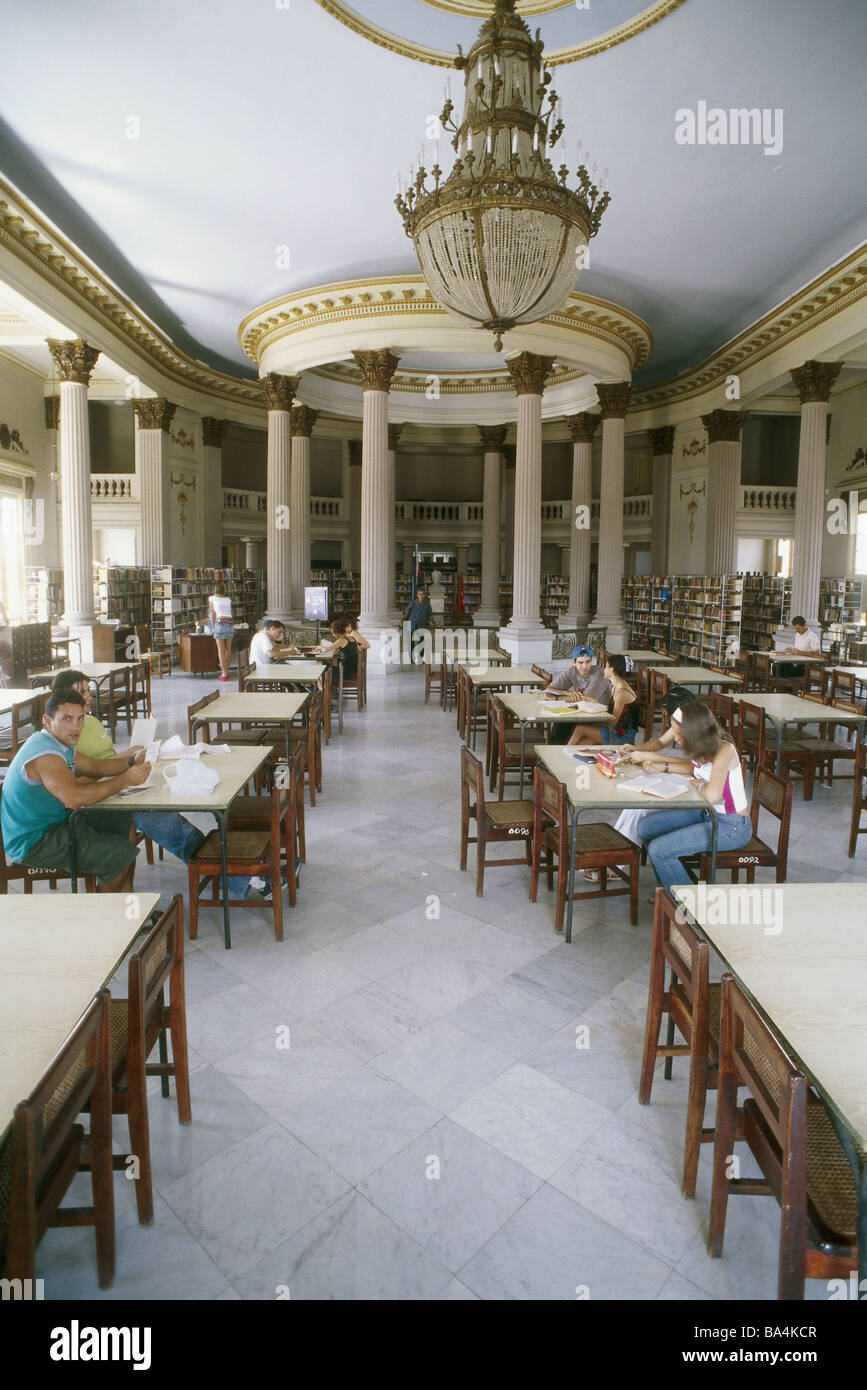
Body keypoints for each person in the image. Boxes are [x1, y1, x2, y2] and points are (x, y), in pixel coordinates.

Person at [0, 688, 149, 891]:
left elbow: (97, 767)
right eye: (67, 719)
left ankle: (126, 905)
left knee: (123, 822)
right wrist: (125, 780)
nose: (75, 726)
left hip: (54, 823)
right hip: (34, 841)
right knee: (119, 854)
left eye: (80, 719)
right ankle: (103, 917)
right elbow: (74, 799)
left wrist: (132, 761)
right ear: (47, 720)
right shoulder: (45, 755)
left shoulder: (59, 742)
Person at [50, 669, 204, 863]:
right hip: (97, 796)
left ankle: (211, 861)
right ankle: (208, 863)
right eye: (82, 692)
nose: (88, 696)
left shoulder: (91, 721)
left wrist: (129, 760)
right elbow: (80, 783)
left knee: (160, 800)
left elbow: (107, 761)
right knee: (150, 812)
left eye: (88, 690)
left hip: (117, 783)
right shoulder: (66, 735)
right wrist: (122, 768)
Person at [638, 701, 753, 899]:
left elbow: (712, 795)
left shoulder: (724, 749)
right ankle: (671, 887)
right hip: (708, 815)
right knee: (645, 827)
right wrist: (662, 767)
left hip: (732, 826)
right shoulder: (703, 747)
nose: (677, 740)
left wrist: (699, 785)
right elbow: (694, 770)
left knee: (658, 850)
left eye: (680, 736)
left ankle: (691, 904)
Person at [544, 645, 612, 745]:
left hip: (597, 716)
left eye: (588, 662)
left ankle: (559, 754)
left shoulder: (599, 673)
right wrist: (566, 692)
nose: (585, 666)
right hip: (582, 712)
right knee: (559, 725)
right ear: (574, 663)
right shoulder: (572, 671)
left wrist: (556, 698)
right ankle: (552, 755)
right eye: (580, 662)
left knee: (563, 727)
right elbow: (549, 688)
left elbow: (585, 699)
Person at [567, 654, 638, 747]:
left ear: (612, 670)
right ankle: (568, 756)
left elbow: (612, 722)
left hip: (623, 735)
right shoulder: (615, 688)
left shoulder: (621, 692)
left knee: (580, 728)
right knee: (583, 742)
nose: (603, 669)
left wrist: (593, 722)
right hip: (617, 730)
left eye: (606, 666)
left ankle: (563, 755)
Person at [318, 616, 370, 682]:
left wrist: (320, 647)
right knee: (324, 667)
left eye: (333, 633)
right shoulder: (352, 638)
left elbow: (325, 650)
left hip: (344, 673)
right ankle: (326, 690)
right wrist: (341, 652)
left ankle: (323, 691)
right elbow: (357, 650)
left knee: (319, 666)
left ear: (336, 632)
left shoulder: (341, 641)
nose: (333, 635)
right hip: (351, 671)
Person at [780, 614, 821, 679]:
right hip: (796, 662)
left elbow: (818, 654)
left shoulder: (812, 636)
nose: (797, 631)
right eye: (795, 629)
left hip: (806, 666)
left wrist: (800, 652)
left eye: (799, 628)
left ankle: (789, 688)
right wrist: (791, 650)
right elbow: (799, 649)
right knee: (778, 666)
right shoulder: (797, 634)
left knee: (785, 671)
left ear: (805, 625)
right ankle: (781, 688)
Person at [208, 582, 234, 681]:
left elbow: (213, 614)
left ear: (215, 591)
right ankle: (227, 672)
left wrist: (213, 627)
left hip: (220, 622)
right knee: (228, 650)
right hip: (229, 622)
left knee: (220, 650)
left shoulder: (211, 598)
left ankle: (224, 674)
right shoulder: (228, 599)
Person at [404, 586, 435, 663]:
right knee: (411, 643)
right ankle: (411, 659)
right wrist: (401, 621)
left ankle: (420, 659)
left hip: (421, 625)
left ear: (424, 595)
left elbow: (430, 615)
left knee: (421, 643)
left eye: (422, 594)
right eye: (419, 594)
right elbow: (406, 614)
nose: (421, 596)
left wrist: (435, 624)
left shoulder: (427, 604)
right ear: (417, 595)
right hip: (411, 625)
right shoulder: (412, 603)